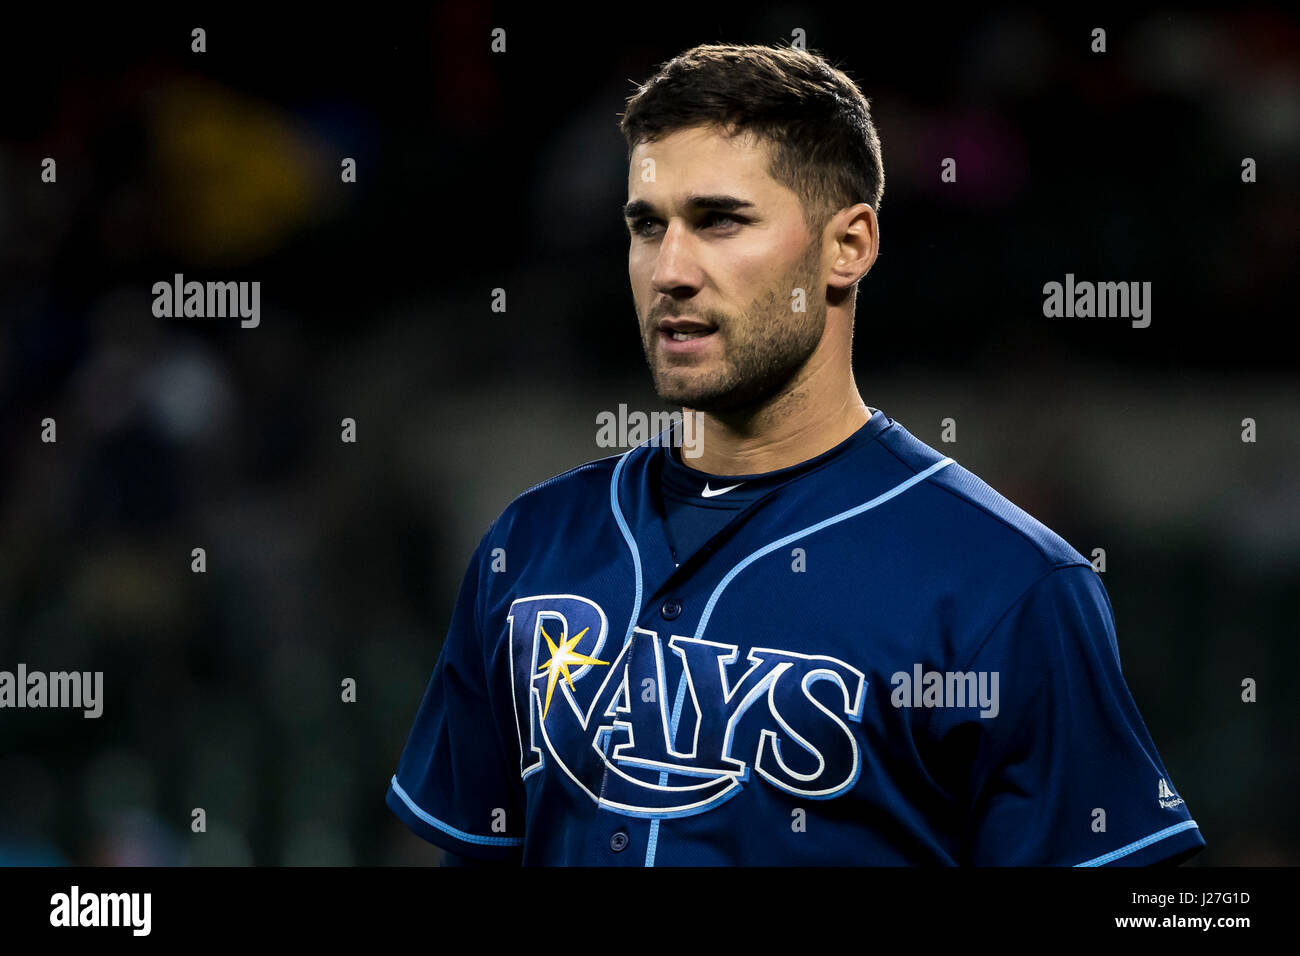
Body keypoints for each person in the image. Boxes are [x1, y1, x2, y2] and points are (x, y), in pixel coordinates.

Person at [385, 42, 1205, 866]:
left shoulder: (1006, 585)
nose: (669, 270)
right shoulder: (529, 544)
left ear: (847, 246)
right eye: (646, 226)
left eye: (720, 220)